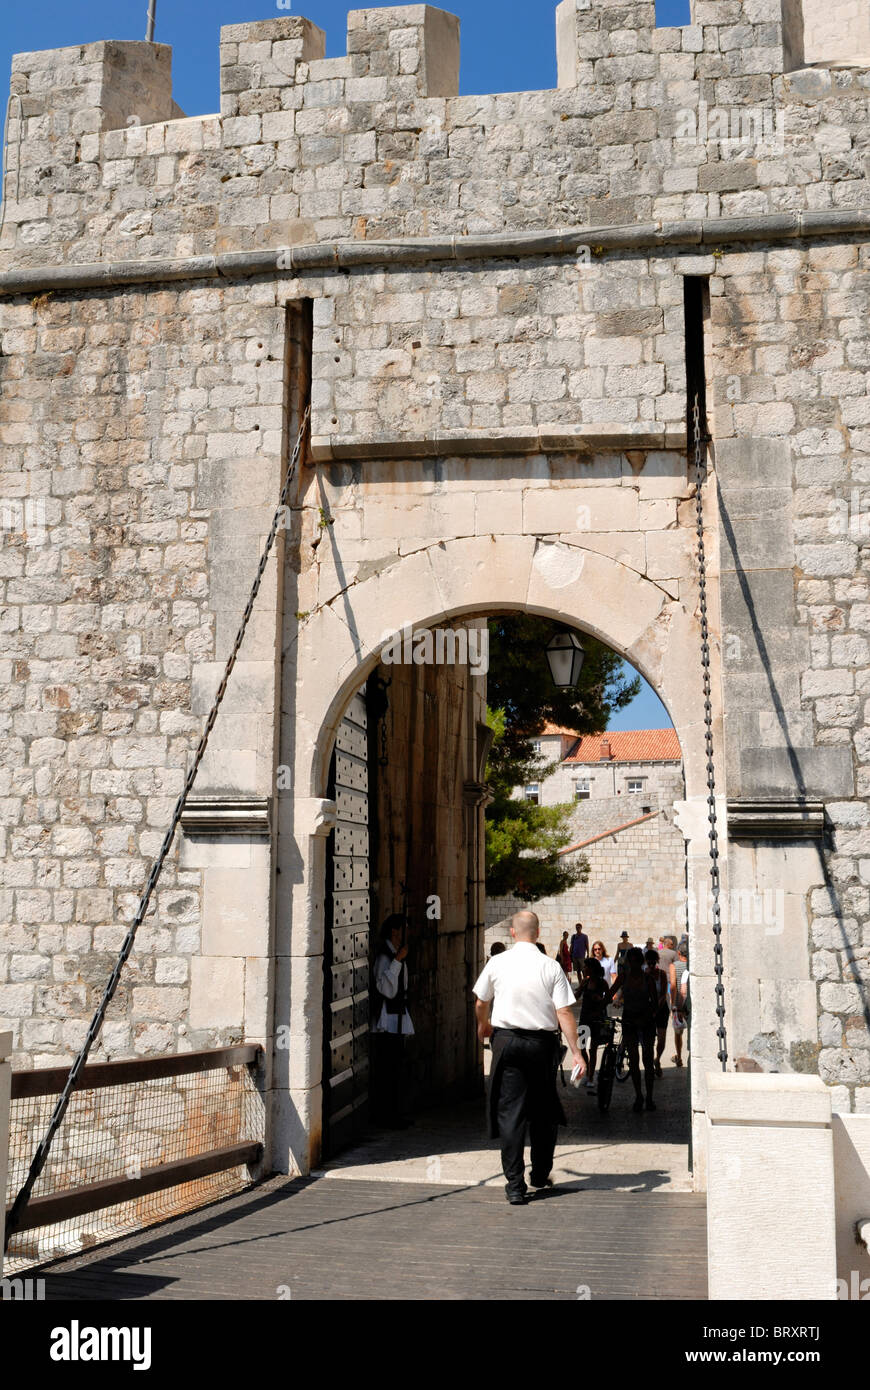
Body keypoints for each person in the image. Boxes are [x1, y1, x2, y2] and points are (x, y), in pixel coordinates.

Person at [473, 910, 586, 1205]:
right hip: (540, 1045)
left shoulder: (497, 962)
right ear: (537, 933)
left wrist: (483, 1025)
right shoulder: (550, 966)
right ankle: (539, 1174)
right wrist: (576, 1053)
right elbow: (563, 1012)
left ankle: (514, 1185)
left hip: (506, 1042)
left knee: (511, 1113)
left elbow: (480, 1001)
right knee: (544, 1109)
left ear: (512, 932)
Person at [371, 913, 414, 1127]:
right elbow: (386, 989)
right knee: (388, 1069)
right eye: (405, 929)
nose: (409, 933)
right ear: (395, 932)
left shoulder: (396, 953)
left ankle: (396, 1112)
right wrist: (397, 961)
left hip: (398, 1017)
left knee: (397, 1068)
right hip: (387, 1021)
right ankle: (386, 1115)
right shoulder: (385, 957)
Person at [609, 946, 658, 1112]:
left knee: (647, 1059)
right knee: (636, 1061)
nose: (634, 964)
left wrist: (648, 1016)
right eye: (632, 961)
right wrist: (599, 1004)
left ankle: (648, 1097)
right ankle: (640, 1095)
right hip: (631, 1022)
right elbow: (611, 992)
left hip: (643, 1022)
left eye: (636, 961)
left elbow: (655, 1003)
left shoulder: (647, 979)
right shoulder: (625, 977)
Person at [577, 956, 609, 1093]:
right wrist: (578, 989)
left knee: (593, 1049)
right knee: (582, 1048)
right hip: (584, 1018)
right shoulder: (585, 982)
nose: (584, 969)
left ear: (592, 968)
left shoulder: (602, 983)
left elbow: (608, 999)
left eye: (586, 966)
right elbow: (576, 996)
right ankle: (589, 1068)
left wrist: (600, 999)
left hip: (596, 1019)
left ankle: (590, 1077)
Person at [644, 948, 670, 1078]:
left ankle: (657, 1059)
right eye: (649, 963)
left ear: (657, 962)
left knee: (662, 1039)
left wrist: (656, 1009)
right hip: (648, 1009)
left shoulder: (662, 974)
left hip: (661, 1009)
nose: (651, 966)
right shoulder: (644, 974)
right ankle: (649, 1065)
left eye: (653, 963)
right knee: (648, 1040)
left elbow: (664, 994)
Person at [670, 938, 690, 1066]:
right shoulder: (691, 966)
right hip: (691, 1003)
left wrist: (673, 1004)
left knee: (678, 1033)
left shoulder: (674, 966)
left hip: (679, 1003)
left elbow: (673, 986)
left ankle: (679, 1057)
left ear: (678, 953)